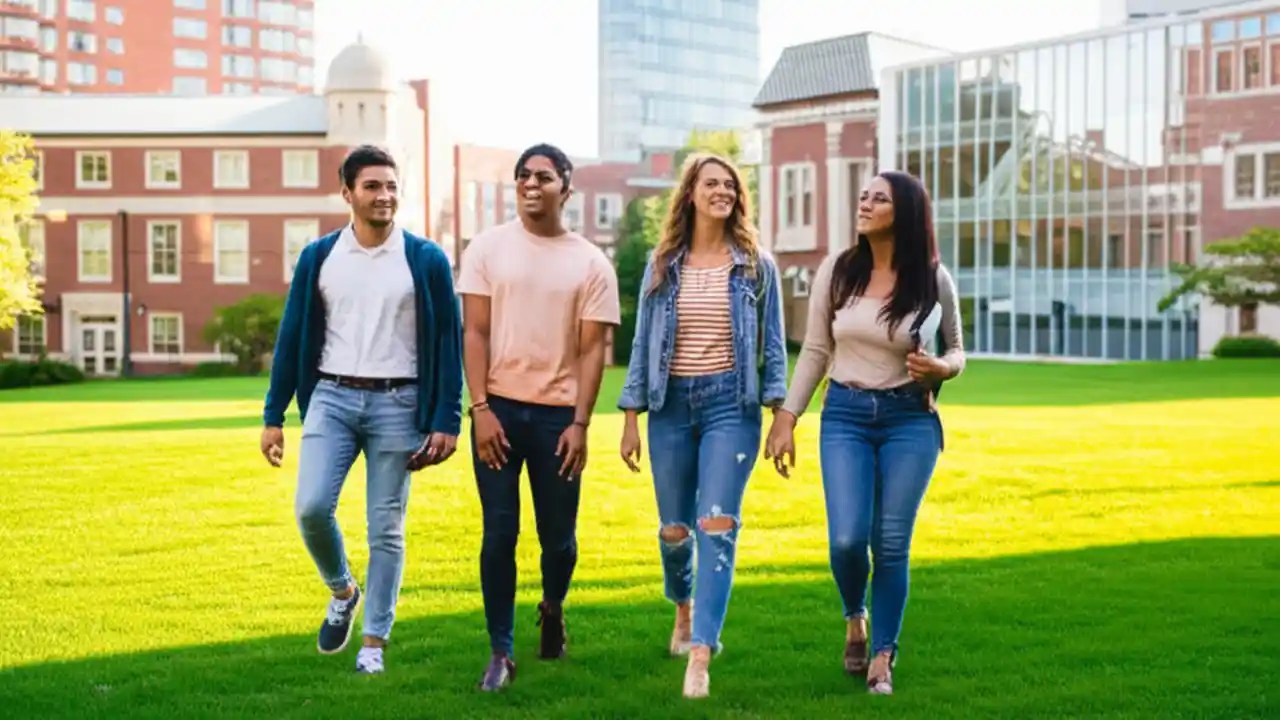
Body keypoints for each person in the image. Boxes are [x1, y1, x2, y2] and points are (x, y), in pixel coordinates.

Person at [259, 145, 464, 675]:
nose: (385, 195)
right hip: (331, 397)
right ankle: (342, 589)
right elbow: (292, 337)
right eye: (372, 186)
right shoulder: (319, 257)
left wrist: (447, 419)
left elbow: (448, 343)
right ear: (347, 192)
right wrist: (273, 415)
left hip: (400, 402)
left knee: (386, 528)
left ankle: (374, 641)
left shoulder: (425, 259)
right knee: (310, 508)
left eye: (392, 186)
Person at [764, 170, 965, 695]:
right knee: (849, 540)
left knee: (891, 542)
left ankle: (883, 654)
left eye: (879, 197)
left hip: (909, 420)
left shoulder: (931, 278)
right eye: (864, 195)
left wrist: (941, 369)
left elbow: (958, 349)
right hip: (846, 415)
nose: (866, 202)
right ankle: (855, 615)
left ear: (906, 212)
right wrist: (788, 416)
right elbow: (814, 350)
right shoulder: (839, 269)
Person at [617, 152, 788, 699]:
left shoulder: (757, 265)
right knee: (675, 531)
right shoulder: (662, 263)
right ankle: (683, 608)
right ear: (690, 193)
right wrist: (630, 417)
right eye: (712, 183)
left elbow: (774, 346)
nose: (723, 192)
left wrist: (779, 413)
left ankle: (701, 651)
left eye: (731, 185)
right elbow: (643, 343)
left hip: (729, 407)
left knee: (718, 524)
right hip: (670, 406)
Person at [456, 142, 621, 692]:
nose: (531, 184)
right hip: (497, 412)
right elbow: (474, 331)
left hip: (558, 420)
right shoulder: (486, 248)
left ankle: (552, 607)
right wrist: (479, 409)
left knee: (559, 540)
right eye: (523, 175)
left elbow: (593, 349)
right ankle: (500, 651)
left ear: (565, 190)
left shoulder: (591, 262)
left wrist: (581, 423)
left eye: (544, 177)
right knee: (499, 532)